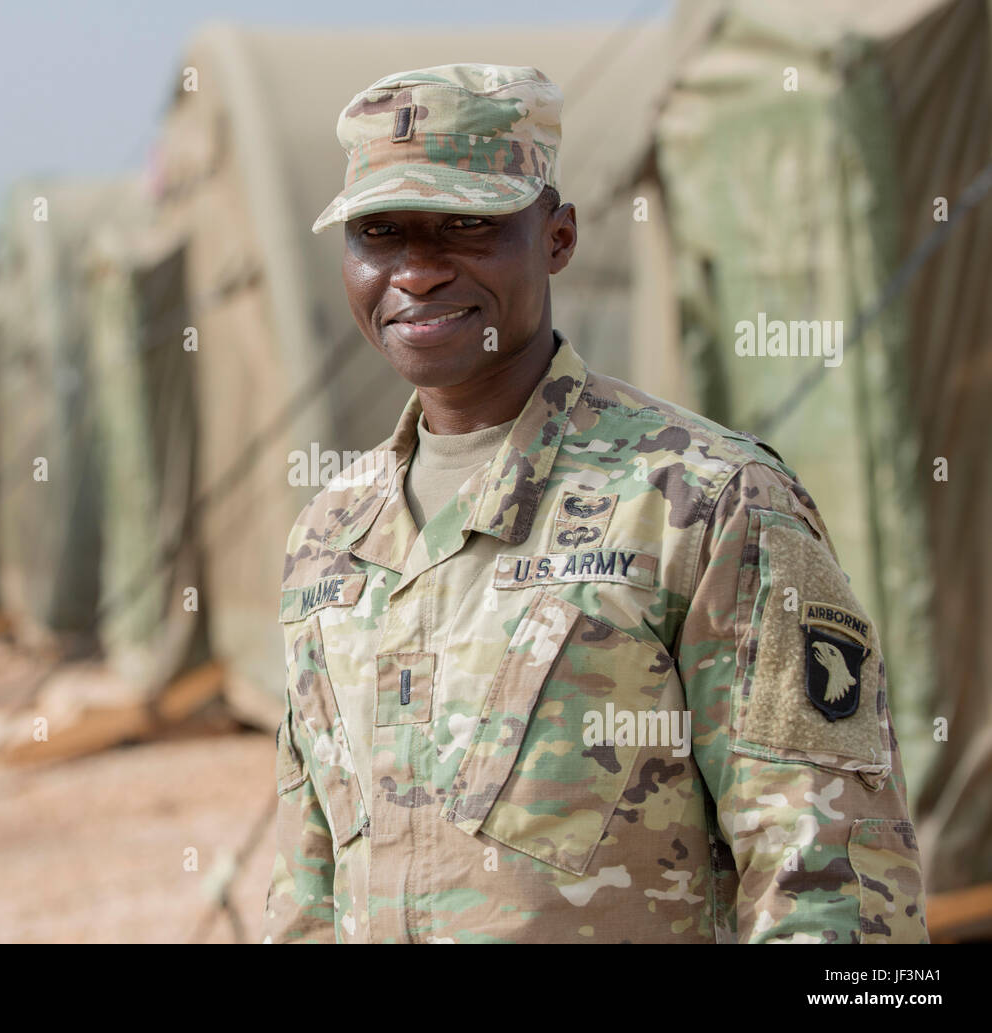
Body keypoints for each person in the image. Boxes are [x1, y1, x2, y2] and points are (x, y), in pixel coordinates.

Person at [262, 63, 927, 943]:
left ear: (558, 237)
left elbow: (836, 887)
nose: (416, 272)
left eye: (467, 225)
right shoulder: (330, 538)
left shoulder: (704, 502)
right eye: (379, 233)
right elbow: (307, 889)